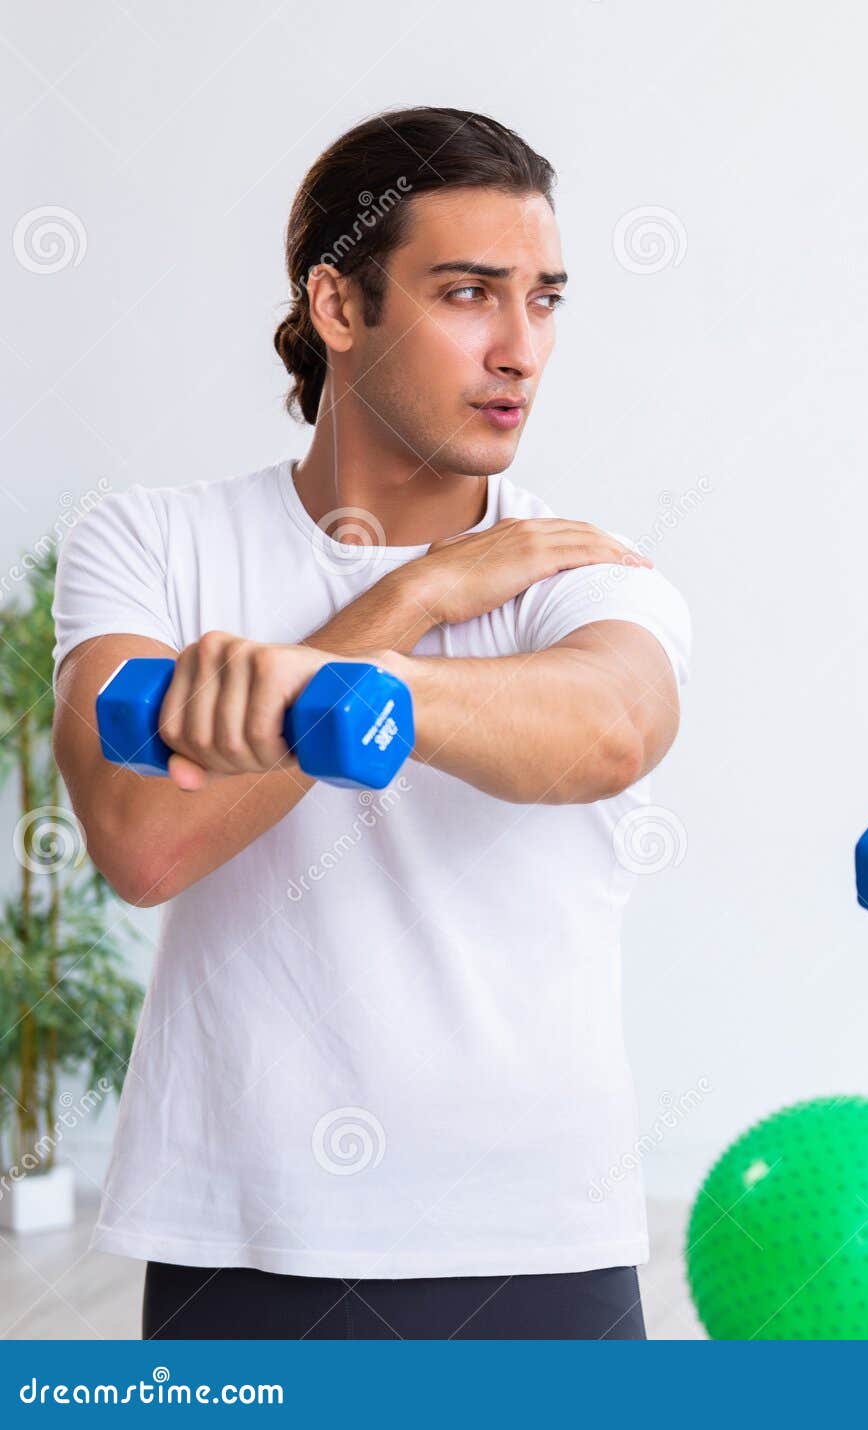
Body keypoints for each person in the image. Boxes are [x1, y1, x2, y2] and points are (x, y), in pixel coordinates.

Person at [50, 107, 689, 1340]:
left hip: (536, 1242)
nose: (520, 349)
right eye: (468, 294)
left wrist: (317, 682)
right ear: (339, 307)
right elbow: (142, 841)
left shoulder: (574, 566)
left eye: (544, 299)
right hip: (239, 1238)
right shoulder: (150, 543)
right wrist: (402, 602)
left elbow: (610, 729)